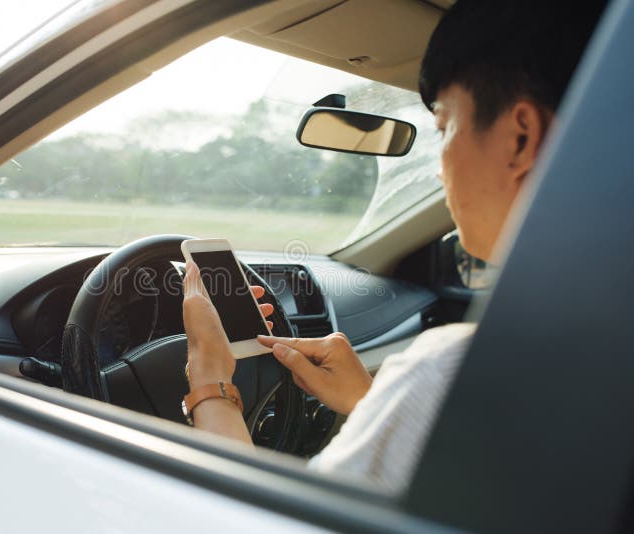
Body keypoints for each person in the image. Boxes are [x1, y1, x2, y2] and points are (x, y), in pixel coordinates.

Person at [181, 0, 608, 495]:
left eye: (444, 128)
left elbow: (249, 522)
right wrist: (374, 403)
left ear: (520, 138)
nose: (439, 170)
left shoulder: (453, 373)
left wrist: (211, 382)